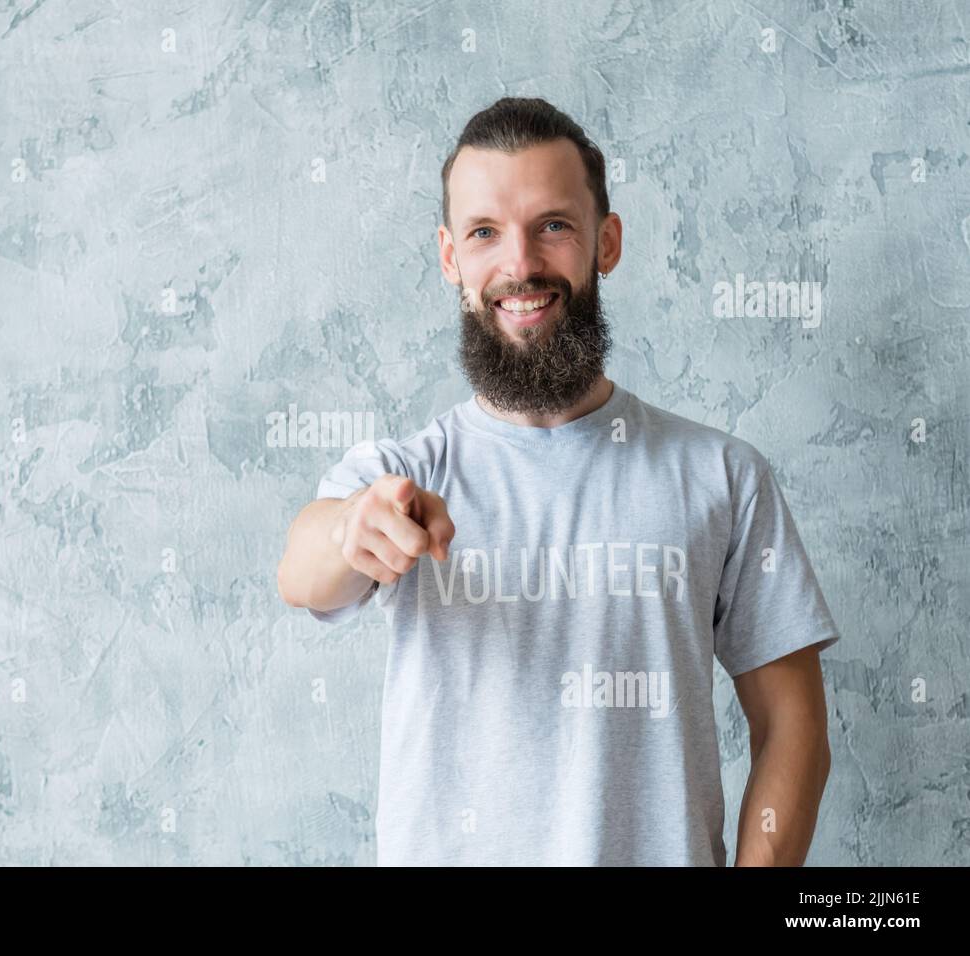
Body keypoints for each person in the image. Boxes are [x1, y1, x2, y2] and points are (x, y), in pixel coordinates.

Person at [276, 96, 841, 866]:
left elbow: (793, 729)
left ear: (605, 242)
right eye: (484, 233)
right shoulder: (402, 475)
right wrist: (354, 530)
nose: (520, 265)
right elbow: (304, 573)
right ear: (450, 259)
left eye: (553, 225)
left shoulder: (723, 477)